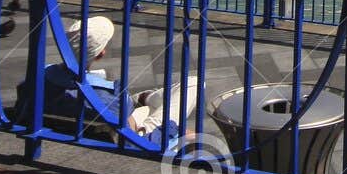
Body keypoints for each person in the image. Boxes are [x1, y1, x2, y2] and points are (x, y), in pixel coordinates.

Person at [11, 16, 204, 145]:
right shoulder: (109, 97)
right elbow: (130, 133)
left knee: (136, 100)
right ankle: (143, 100)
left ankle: (143, 99)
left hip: (66, 121)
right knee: (193, 84)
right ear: (101, 53)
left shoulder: (36, 78)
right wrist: (176, 131)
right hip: (131, 131)